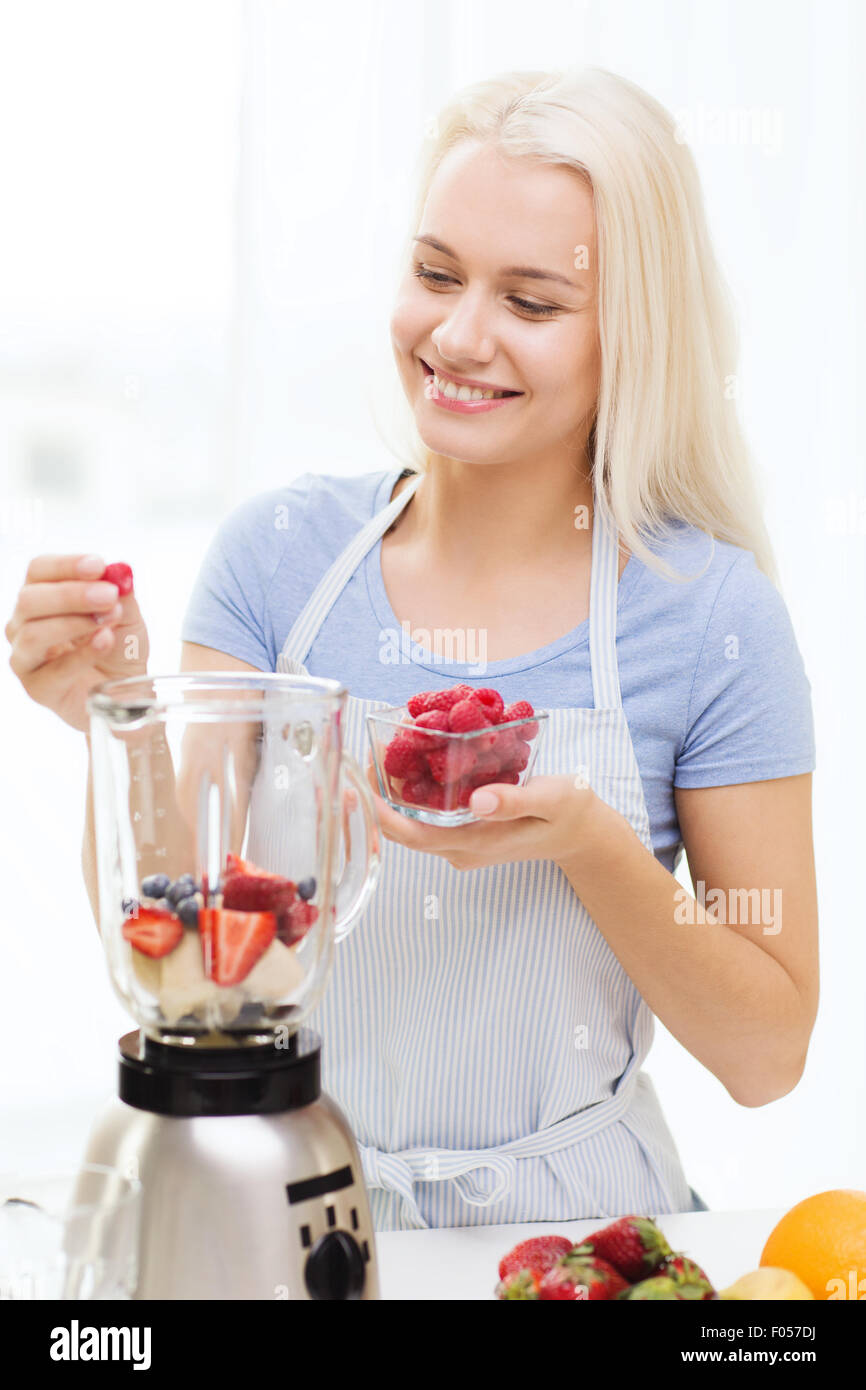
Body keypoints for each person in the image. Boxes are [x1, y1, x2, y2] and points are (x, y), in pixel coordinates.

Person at [6, 67, 818, 1232]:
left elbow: (765, 1053)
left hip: (577, 1238)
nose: (456, 334)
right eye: (435, 274)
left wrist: (588, 844)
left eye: (530, 302)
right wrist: (116, 714)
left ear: (630, 334)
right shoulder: (278, 560)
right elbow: (196, 979)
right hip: (295, 1211)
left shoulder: (708, 618)